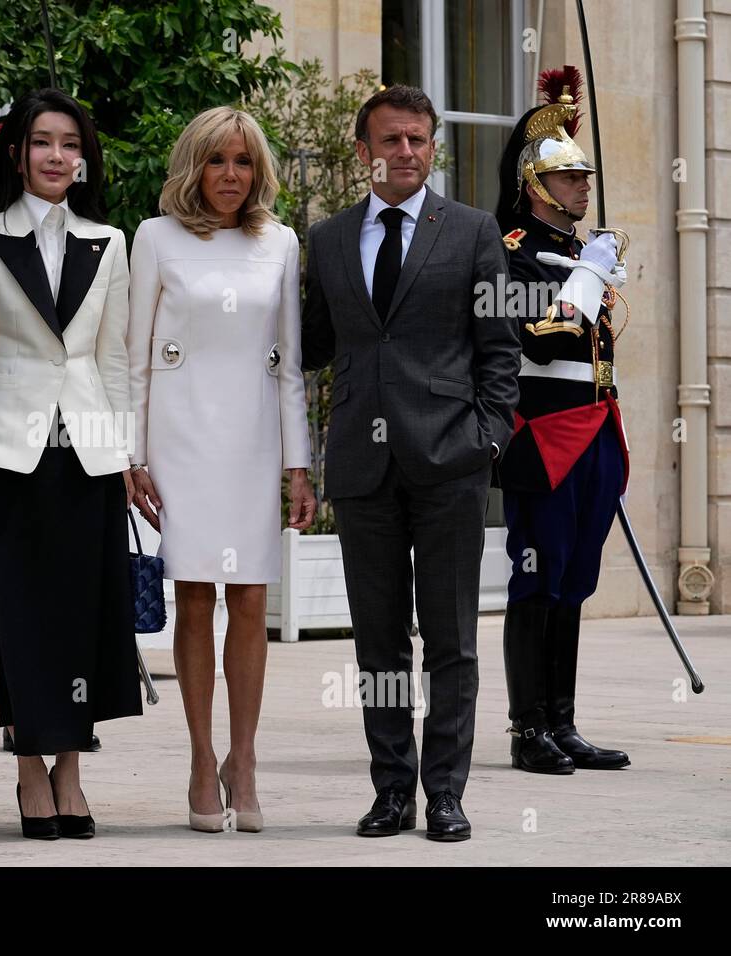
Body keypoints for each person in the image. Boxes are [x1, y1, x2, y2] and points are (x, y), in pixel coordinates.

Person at [300, 86, 520, 841]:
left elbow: (500, 348)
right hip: (363, 466)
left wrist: (488, 438)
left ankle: (446, 794)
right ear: (364, 151)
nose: (405, 153)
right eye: (391, 140)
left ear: (432, 148)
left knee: (452, 637)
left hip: (450, 460)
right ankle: (391, 790)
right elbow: (311, 346)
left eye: (418, 140)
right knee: (380, 641)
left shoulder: (473, 232)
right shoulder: (327, 240)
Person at [127, 106, 315, 834]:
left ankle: (245, 760)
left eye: (242, 161)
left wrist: (297, 466)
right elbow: (134, 358)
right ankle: (201, 761)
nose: (230, 175)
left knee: (250, 598)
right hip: (178, 440)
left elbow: (291, 366)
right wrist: (130, 455)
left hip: (252, 440)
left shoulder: (281, 243)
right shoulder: (155, 237)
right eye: (216, 161)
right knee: (195, 597)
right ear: (193, 167)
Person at [0, 88, 143, 840]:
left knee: (83, 619)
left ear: (84, 159)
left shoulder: (109, 242)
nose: (57, 157)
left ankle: (71, 770)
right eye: (43, 142)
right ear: (17, 152)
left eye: (71, 144)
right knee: (22, 616)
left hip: (90, 456)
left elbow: (114, 360)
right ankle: (29, 771)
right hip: (9, 453)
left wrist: (128, 455)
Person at [494, 68, 631, 774]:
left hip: (595, 427)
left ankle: (563, 722)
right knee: (537, 576)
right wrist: (588, 278)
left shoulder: (580, 254)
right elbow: (538, 335)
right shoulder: (510, 252)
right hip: (543, 436)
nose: (583, 187)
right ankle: (527, 731)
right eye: (571, 177)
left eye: (583, 176)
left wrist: (590, 268)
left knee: (574, 577)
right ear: (536, 185)